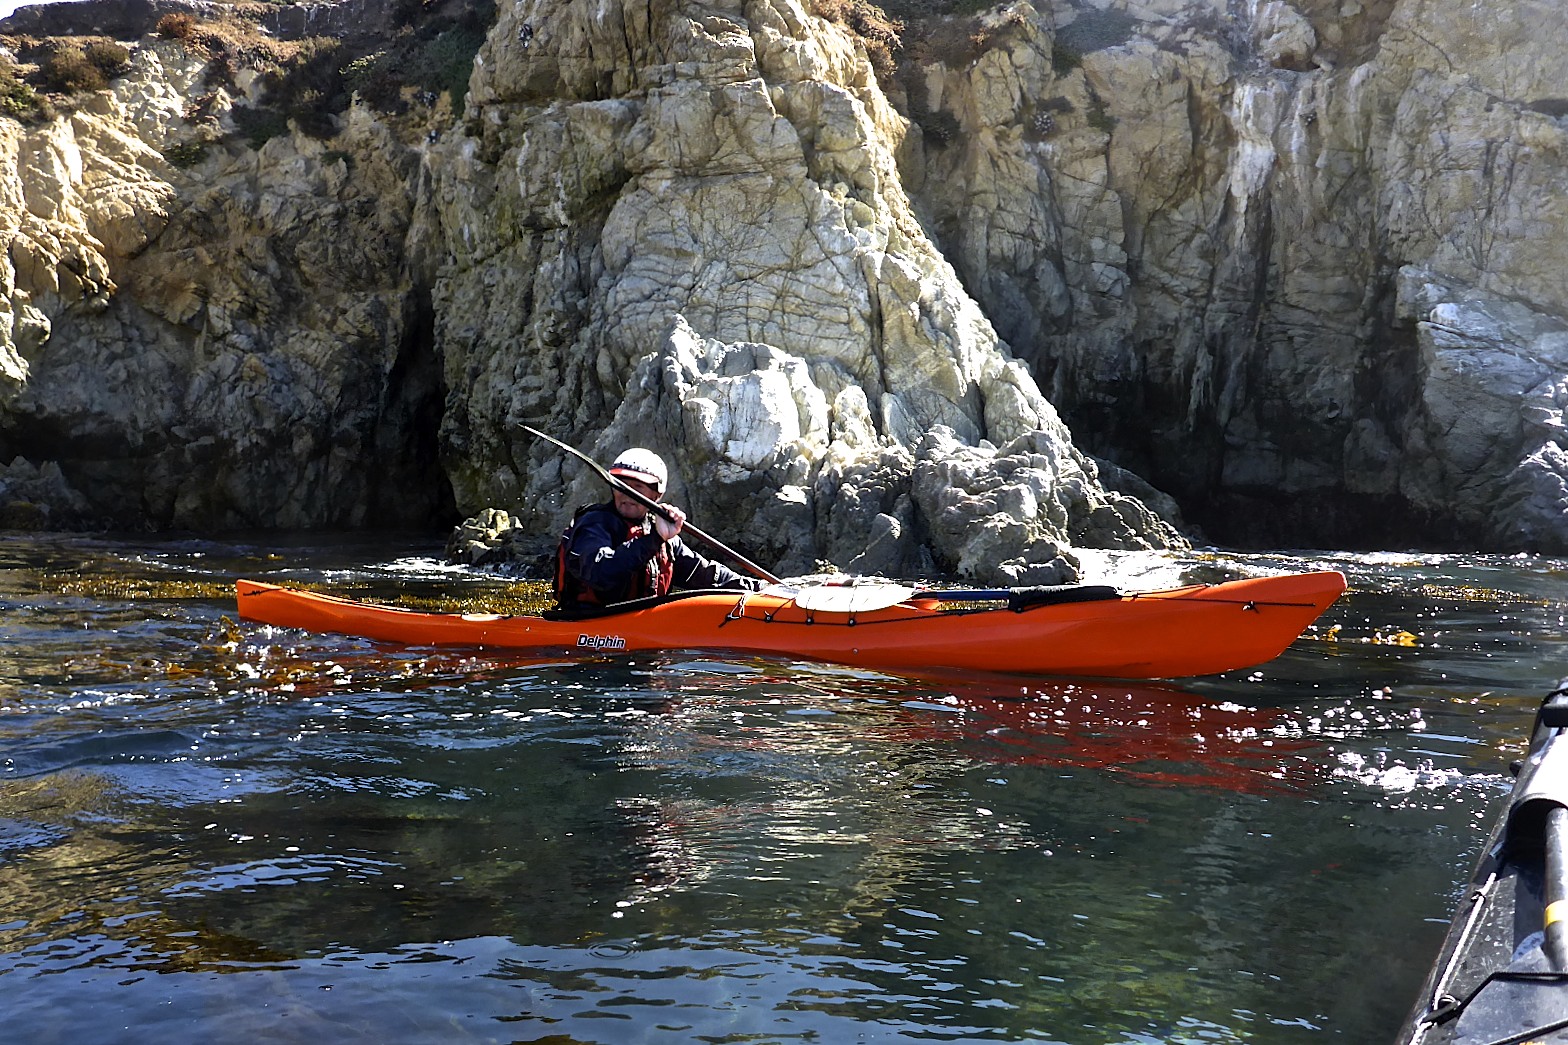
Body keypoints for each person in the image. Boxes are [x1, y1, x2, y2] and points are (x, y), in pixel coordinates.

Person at [553, 447, 765, 608]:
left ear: (656, 496)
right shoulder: (594, 524)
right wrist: (654, 539)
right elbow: (601, 574)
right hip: (587, 627)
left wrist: (760, 588)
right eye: (621, 486)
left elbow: (704, 575)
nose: (626, 495)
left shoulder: (663, 535)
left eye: (637, 488)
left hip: (641, 632)